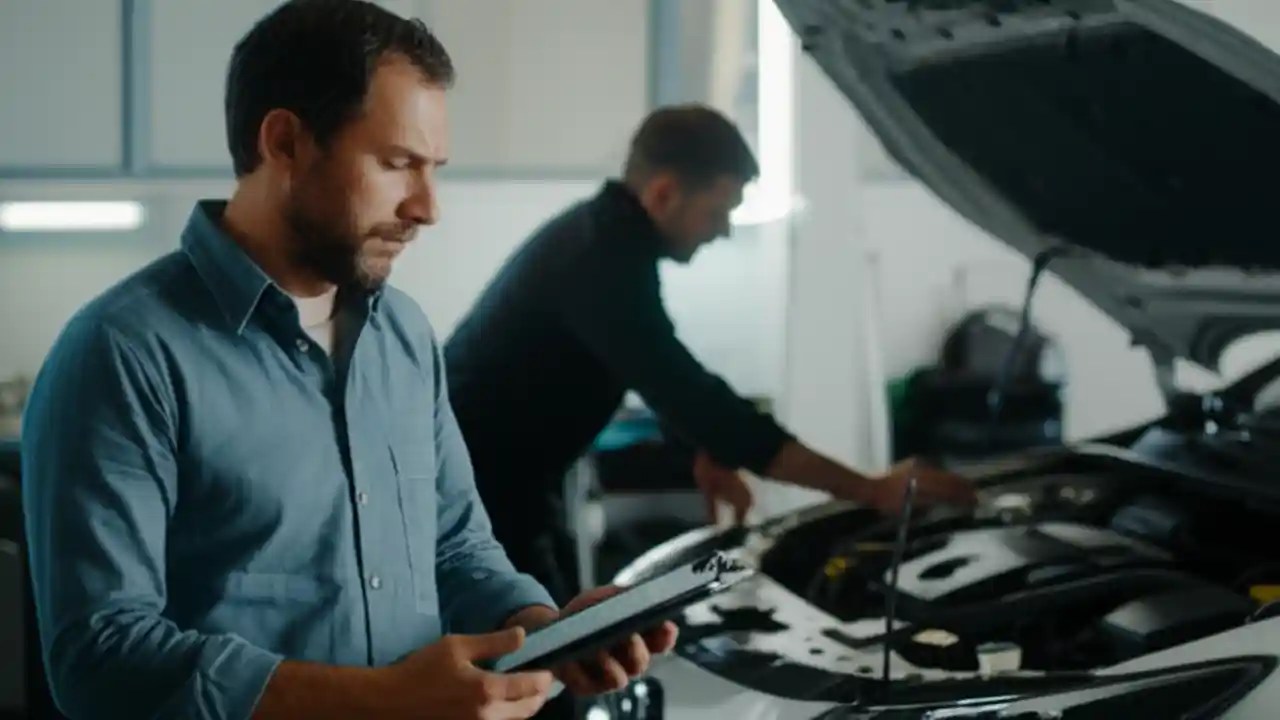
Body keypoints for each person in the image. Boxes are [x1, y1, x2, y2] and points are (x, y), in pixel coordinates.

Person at [19, 2, 674, 719]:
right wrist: (383, 701)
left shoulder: (403, 335)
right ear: (285, 143)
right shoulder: (123, 352)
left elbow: (455, 548)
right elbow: (101, 660)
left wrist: (547, 632)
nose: (427, 207)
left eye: (434, 170)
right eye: (397, 164)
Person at [445, 105, 978, 605]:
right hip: (472, 497)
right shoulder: (597, 262)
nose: (723, 230)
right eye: (719, 210)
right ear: (664, 193)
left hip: (505, 484)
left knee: (560, 637)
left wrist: (705, 447)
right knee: (537, 658)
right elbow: (695, 397)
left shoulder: (605, 240)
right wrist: (870, 489)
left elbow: (655, 370)